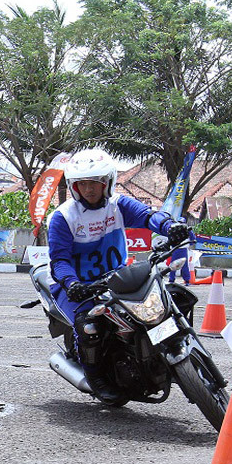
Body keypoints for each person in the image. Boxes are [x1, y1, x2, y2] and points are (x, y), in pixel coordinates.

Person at [47, 148, 186, 404]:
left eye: (95, 183)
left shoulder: (118, 205)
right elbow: (59, 261)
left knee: (170, 300)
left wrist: (170, 226)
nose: (89, 190)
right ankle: (96, 378)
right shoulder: (63, 217)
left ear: (107, 183)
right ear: (74, 186)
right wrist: (72, 283)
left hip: (119, 277)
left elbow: (148, 216)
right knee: (89, 327)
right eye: (83, 184)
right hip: (81, 286)